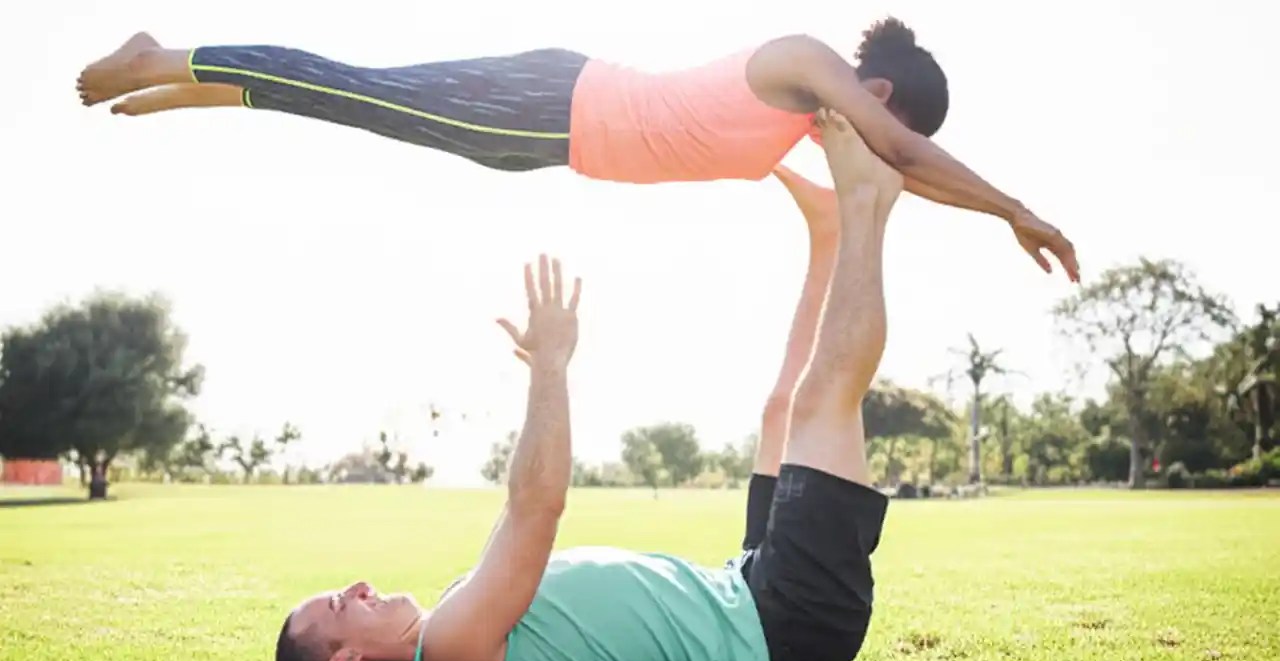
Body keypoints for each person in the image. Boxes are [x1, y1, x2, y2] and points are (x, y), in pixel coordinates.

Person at [271, 110, 902, 661]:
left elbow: (521, 519)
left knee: (781, 414)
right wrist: (549, 367)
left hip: (743, 583)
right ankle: (869, 203)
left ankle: (828, 235)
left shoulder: (455, 614)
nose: (356, 587)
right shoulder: (448, 652)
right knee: (825, 401)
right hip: (785, 621)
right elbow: (535, 508)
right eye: (337, 606)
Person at [75, 20, 1079, 282]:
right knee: (364, 91)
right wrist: (1017, 211)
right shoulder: (809, 62)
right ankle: (165, 56)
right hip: (552, 104)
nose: (874, 137)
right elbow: (902, 155)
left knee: (366, 106)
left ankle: (191, 89)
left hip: (547, 133)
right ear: (883, 92)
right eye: (886, 120)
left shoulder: (806, 120)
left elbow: (888, 167)